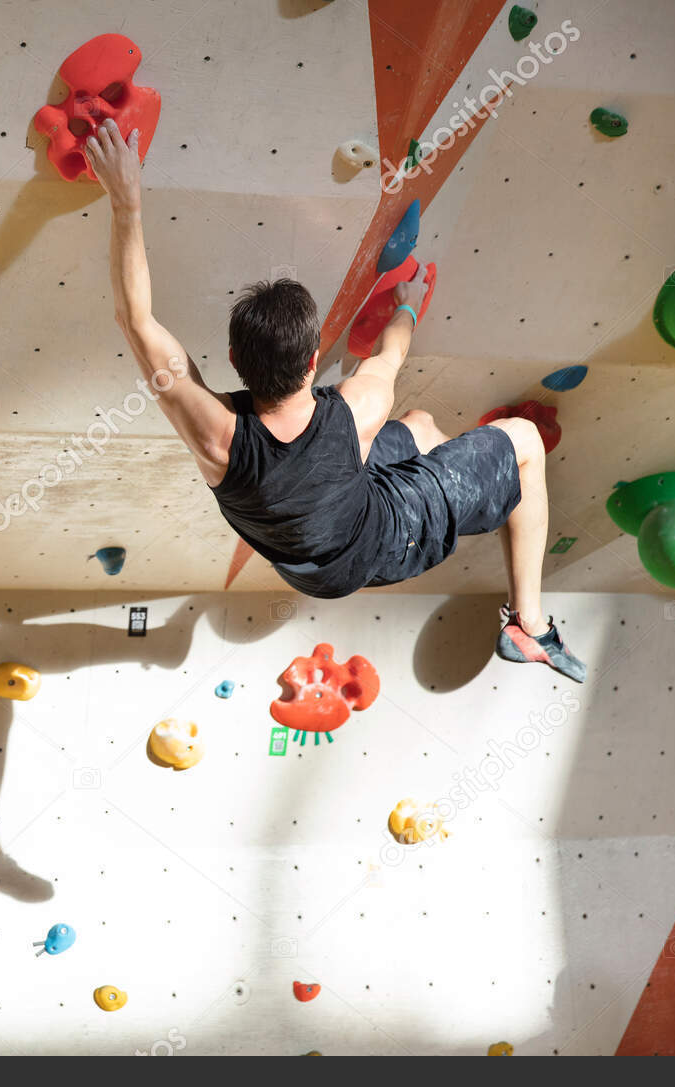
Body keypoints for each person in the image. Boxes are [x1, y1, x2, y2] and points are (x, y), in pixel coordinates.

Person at [84, 121, 584, 682]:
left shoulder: (215, 436)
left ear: (231, 355)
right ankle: (530, 625)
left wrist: (124, 202)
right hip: (380, 542)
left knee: (419, 427)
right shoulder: (355, 411)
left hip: (306, 560)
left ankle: (472, 485)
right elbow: (391, 353)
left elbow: (136, 319)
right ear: (313, 359)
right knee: (524, 440)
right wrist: (410, 303)